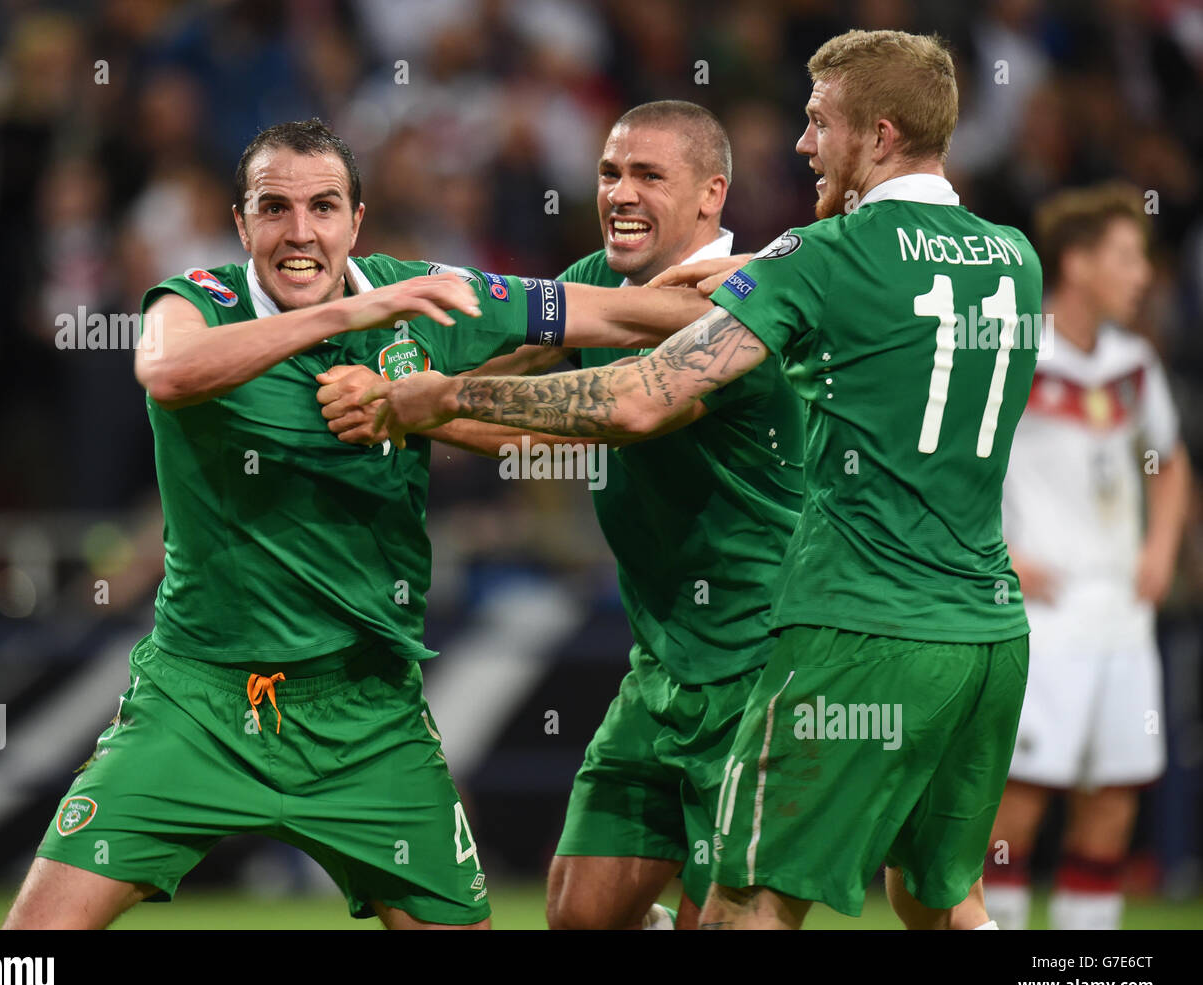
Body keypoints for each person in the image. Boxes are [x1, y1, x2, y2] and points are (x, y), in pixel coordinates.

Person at [358, 29, 1042, 930]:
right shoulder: (1013, 257)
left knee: (742, 909)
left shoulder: (820, 259)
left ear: (877, 136)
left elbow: (643, 399)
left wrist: (442, 394)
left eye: (817, 123)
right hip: (984, 625)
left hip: (848, 625)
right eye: (611, 172)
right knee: (938, 896)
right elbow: (885, 299)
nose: (802, 144)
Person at [2, 118, 709, 930]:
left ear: (356, 221)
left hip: (366, 714)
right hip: (196, 704)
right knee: (22, 954)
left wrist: (769, 286)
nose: (300, 232)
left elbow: (607, 316)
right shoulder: (195, 300)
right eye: (274, 208)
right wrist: (349, 317)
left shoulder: (421, 294)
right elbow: (166, 371)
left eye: (324, 208)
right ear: (242, 225)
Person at [321, 100, 803, 930]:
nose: (620, 191)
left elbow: (623, 409)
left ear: (711, 194)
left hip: (760, 662)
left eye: (650, 175)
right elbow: (516, 388)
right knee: (578, 916)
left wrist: (427, 402)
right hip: (663, 663)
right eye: (610, 172)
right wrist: (386, 372)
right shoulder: (592, 280)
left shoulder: (751, 308)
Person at [984, 183, 1189, 930]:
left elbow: (1168, 463)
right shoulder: (1010, 352)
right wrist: (998, 552)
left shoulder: (1135, 364)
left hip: (1123, 613)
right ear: (1076, 263)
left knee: (1113, 802)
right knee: (1019, 804)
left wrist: (1161, 547)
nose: (1142, 275)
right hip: (1042, 612)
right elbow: (954, 460)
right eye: (1127, 257)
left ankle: (1083, 975)